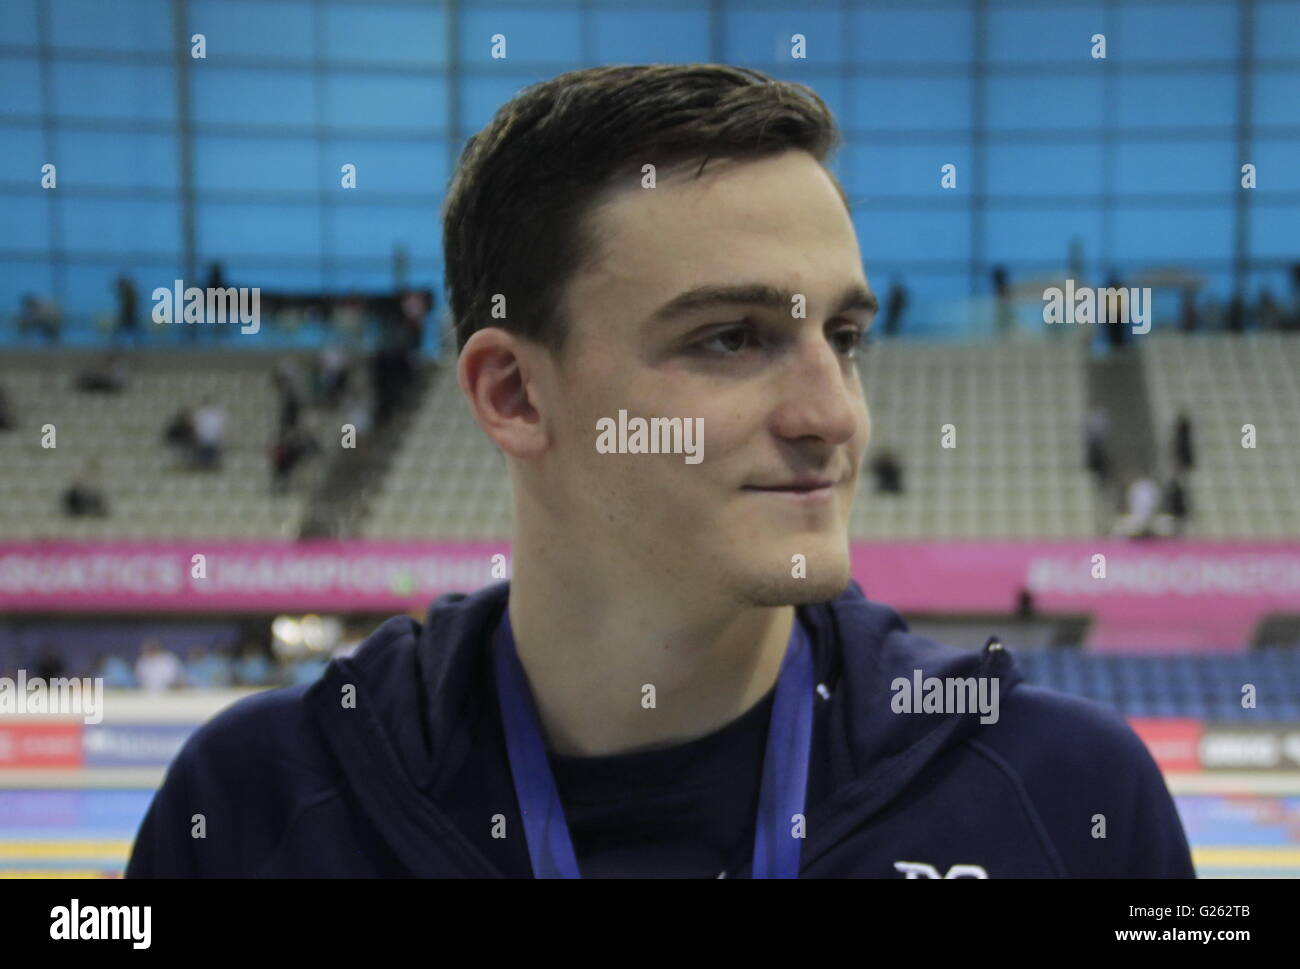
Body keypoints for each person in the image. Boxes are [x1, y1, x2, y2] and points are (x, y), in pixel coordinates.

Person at [127, 64, 1194, 879]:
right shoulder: (258, 808)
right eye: (731, 338)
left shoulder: (1063, 798)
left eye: (846, 335)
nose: (832, 415)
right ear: (513, 394)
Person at [192, 398, 226, 470]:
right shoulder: (199, 414)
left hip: (212, 439)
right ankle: (204, 464)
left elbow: (219, 428)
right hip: (203, 439)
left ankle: (210, 465)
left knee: (211, 448)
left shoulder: (216, 414)